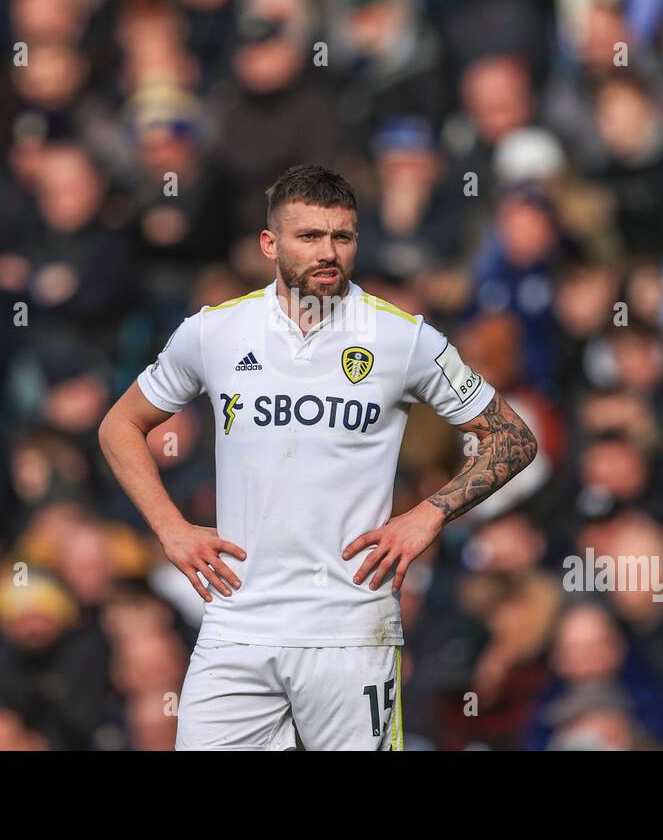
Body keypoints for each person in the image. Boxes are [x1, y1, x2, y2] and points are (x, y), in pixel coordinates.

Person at [98, 164, 537, 750]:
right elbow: (121, 425)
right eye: (309, 237)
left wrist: (426, 516)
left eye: (343, 236)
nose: (328, 252)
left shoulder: (401, 338)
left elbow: (512, 437)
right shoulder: (214, 333)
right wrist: (170, 529)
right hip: (238, 625)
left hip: (351, 629)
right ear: (269, 244)